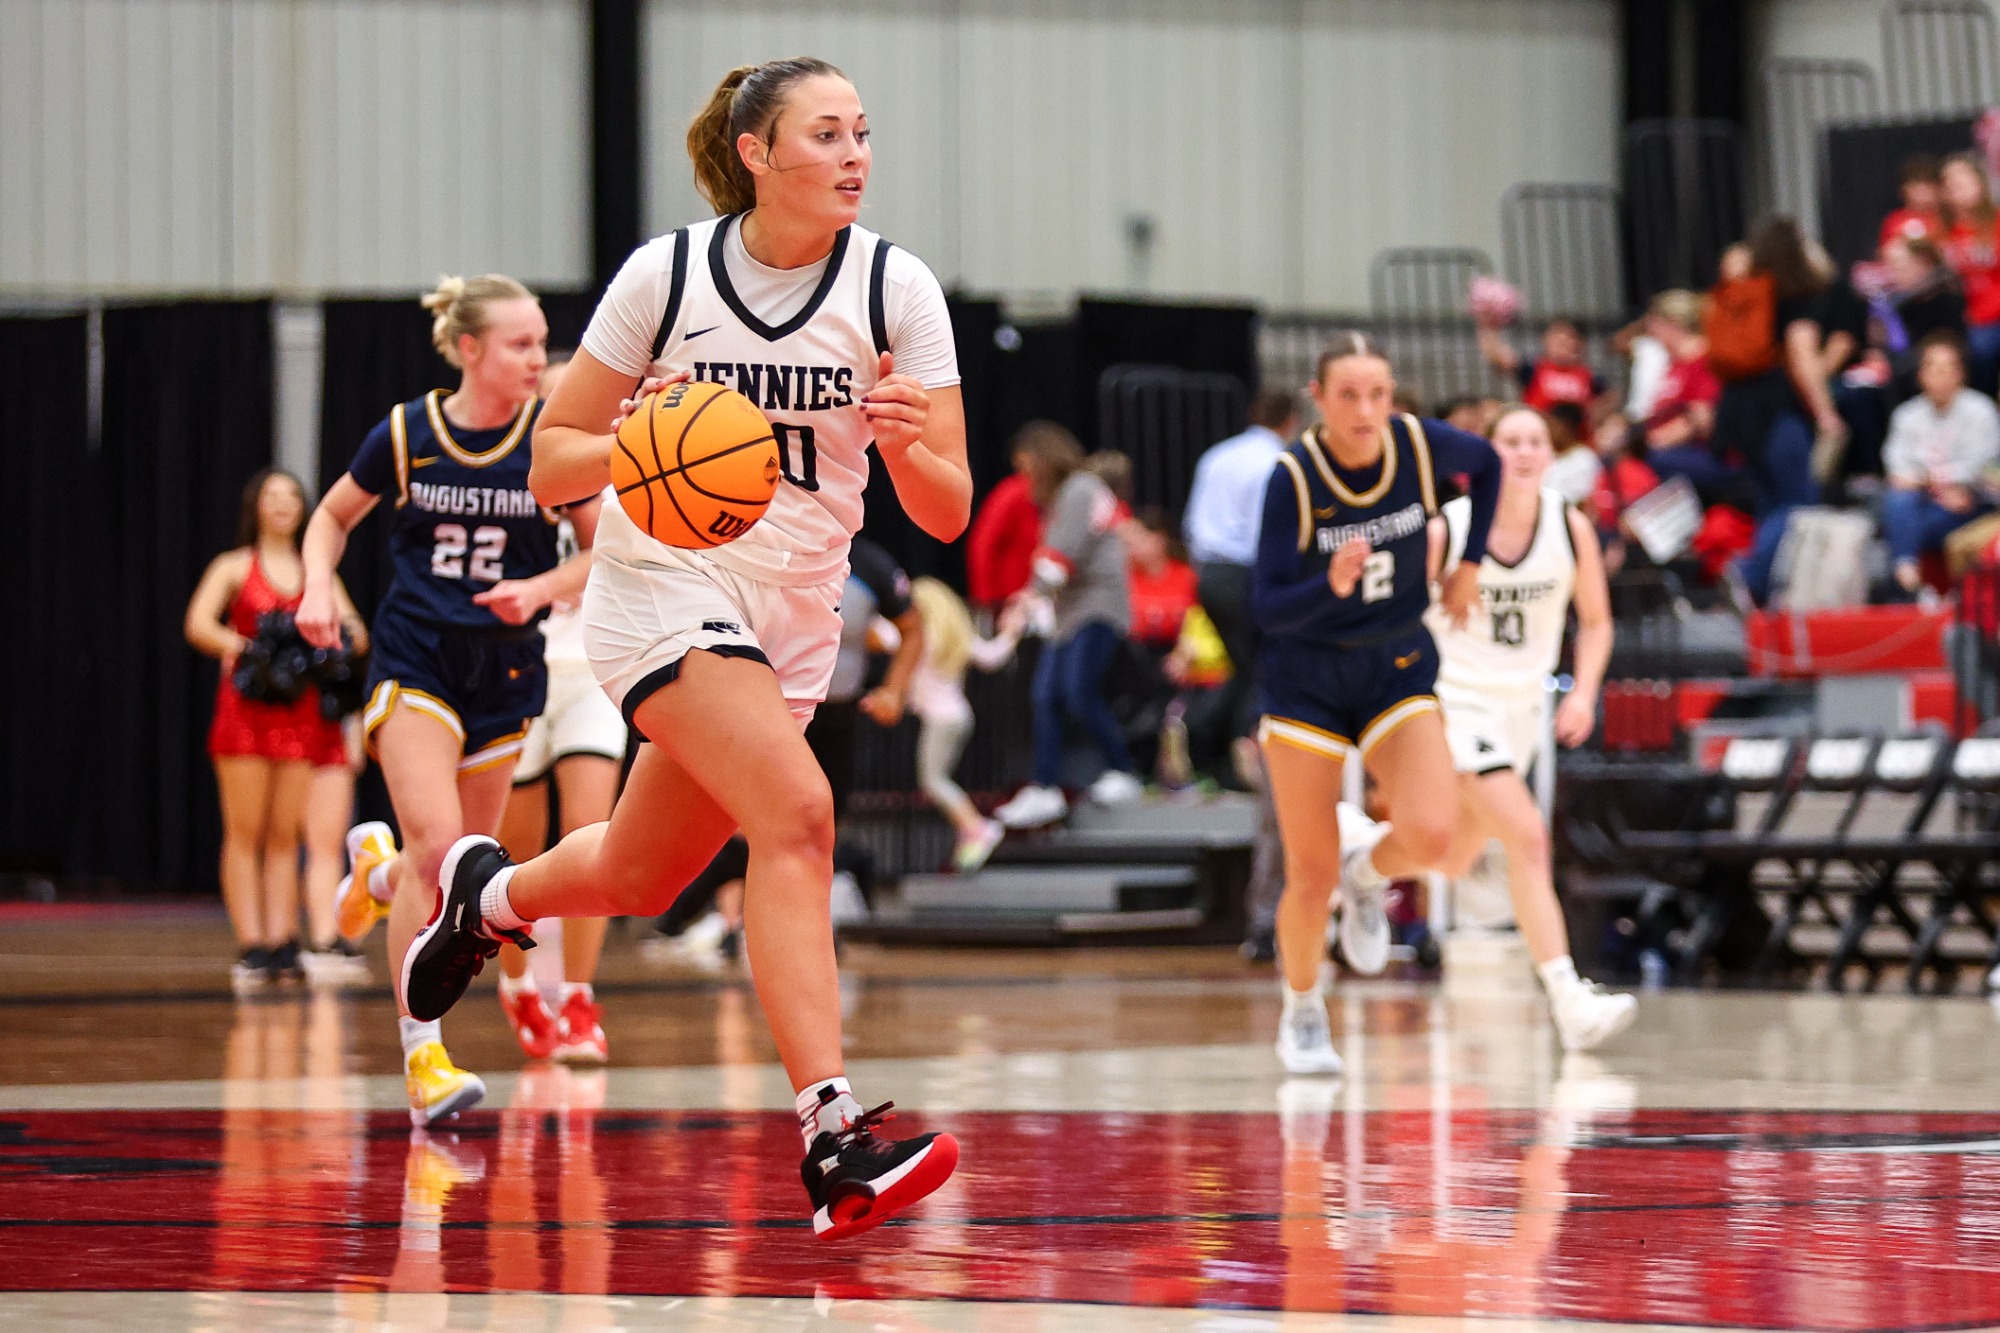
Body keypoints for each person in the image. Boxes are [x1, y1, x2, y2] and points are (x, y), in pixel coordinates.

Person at [392, 58, 966, 1239]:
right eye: (826, 134)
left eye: (863, 132)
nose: (856, 154)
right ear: (755, 153)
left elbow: (948, 511)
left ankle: (486, 896)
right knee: (798, 817)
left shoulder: (895, 288)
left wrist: (908, 447)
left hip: (794, 619)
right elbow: (551, 459)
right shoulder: (666, 274)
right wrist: (648, 440)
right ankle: (831, 1134)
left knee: (642, 874)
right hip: (662, 583)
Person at [298, 274, 590, 1127]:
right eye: (520, 344)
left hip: (504, 672)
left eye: (542, 341)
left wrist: (540, 587)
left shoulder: (554, 442)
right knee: (439, 853)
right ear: (469, 350)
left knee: (460, 873)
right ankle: (423, 1057)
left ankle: (372, 873)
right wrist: (317, 583)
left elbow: (598, 555)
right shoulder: (407, 432)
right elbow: (331, 518)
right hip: (416, 658)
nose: (539, 357)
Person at [1251, 333, 1500, 1075]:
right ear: (1317, 397)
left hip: (1394, 663)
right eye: (1350, 395)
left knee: (1433, 835)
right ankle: (1301, 1011)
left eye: (1379, 394)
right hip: (1307, 682)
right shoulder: (1292, 477)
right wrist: (1324, 584)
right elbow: (1265, 604)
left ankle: (1370, 876)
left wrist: (1469, 563)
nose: (1367, 410)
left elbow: (1486, 468)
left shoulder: (1419, 448)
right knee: (1307, 872)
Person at [1424, 405, 1635, 1050]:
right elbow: (1401, 621)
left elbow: (1596, 621)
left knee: (1455, 852)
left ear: (1550, 454)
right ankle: (1568, 998)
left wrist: (1583, 694)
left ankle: (1366, 863)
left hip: (1522, 711)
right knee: (1527, 837)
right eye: (1508, 441)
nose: (1521, 451)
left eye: (1533, 441)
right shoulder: (1449, 529)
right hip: (1456, 700)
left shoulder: (1570, 528)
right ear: (1485, 455)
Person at [185, 469, 366, 993]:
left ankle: (284, 936)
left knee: (286, 835)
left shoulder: (320, 573)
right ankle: (252, 942)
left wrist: (320, 647)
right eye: (272, 495)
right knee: (246, 832)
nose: (283, 504)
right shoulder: (234, 566)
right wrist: (244, 648)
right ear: (256, 506)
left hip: (301, 714)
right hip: (246, 711)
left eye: (293, 496)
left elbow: (355, 635)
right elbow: (199, 623)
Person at [490, 352, 621, 1065]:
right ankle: (517, 984)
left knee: (591, 835)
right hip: (514, 671)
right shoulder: (498, 474)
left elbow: (609, 556)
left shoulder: (614, 466)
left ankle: (577, 994)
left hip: (592, 673)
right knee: (517, 848)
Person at [994, 421, 1141, 828]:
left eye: (1027, 469)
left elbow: (1058, 558)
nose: (1024, 481)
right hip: (1070, 613)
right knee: (1047, 697)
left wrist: (1023, 602)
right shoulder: (1067, 495)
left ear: (1044, 460)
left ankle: (1122, 770)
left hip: (1097, 608)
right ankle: (1045, 786)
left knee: (1076, 691)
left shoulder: (1079, 489)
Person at [1712, 218, 1841, 605]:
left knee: (1770, 501)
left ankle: (1761, 592)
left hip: (1737, 408)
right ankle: (1746, 571)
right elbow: (1802, 356)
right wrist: (1825, 412)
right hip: (1776, 407)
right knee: (1799, 501)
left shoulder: (1745, 290)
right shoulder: (1792, 293)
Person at [1183, 390, 1300, 782]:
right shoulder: (1274, 461)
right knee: (1260, 666)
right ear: (1291, 421)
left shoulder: (1218, 454)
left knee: (1241, 665)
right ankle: (1237, 757)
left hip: (1208, 573)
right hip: (1243, 572)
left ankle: (1209, 753)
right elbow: (1263, 531)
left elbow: (1192, 522)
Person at [907, 577, 1019, 872]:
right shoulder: (955, 636)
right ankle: (970, 833)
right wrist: (1011, 631)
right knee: (937, 780)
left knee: (933, 782)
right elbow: (993, 657)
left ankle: (977, 828)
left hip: (942, 720)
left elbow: (887, 635)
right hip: (958, 717)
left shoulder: (921, 636)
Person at [1881, 332, 2000, 598]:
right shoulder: (1907, 414)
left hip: (1971, 501)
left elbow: (1979, 464)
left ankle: (1905, 584)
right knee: (1898, 501)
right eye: (1934, 369)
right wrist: (1932, 483)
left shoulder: (1980, 410)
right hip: (1923, 500)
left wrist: (1924, 479)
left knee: (1902, 519)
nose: (1941, 376)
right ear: (1921, 374)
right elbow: (1896, 467)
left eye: (1948, 369)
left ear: (1961, 373)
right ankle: (1908, 576)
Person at [964, 447, 1042, 615]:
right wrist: (984, 596)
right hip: (1008, 599)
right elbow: (984, 543)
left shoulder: (1057, 493)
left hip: (1036, 595)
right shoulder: (1014, 492)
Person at [1476, 315, 1606, 415]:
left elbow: (1606, 402)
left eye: (1569, 337)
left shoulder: (1590, 377)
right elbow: (1499, 356)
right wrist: (1488, 324)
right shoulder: (1534, 369)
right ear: (1545, 340)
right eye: (1556, 335)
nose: (1562, 340)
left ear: (1580, 344)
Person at [1882, 154, 1945, 249]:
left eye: (1928, 185)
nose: (1922, 191)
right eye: (1915, 186)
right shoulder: (1894, 221)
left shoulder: (1946, 219)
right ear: (1903, 190)